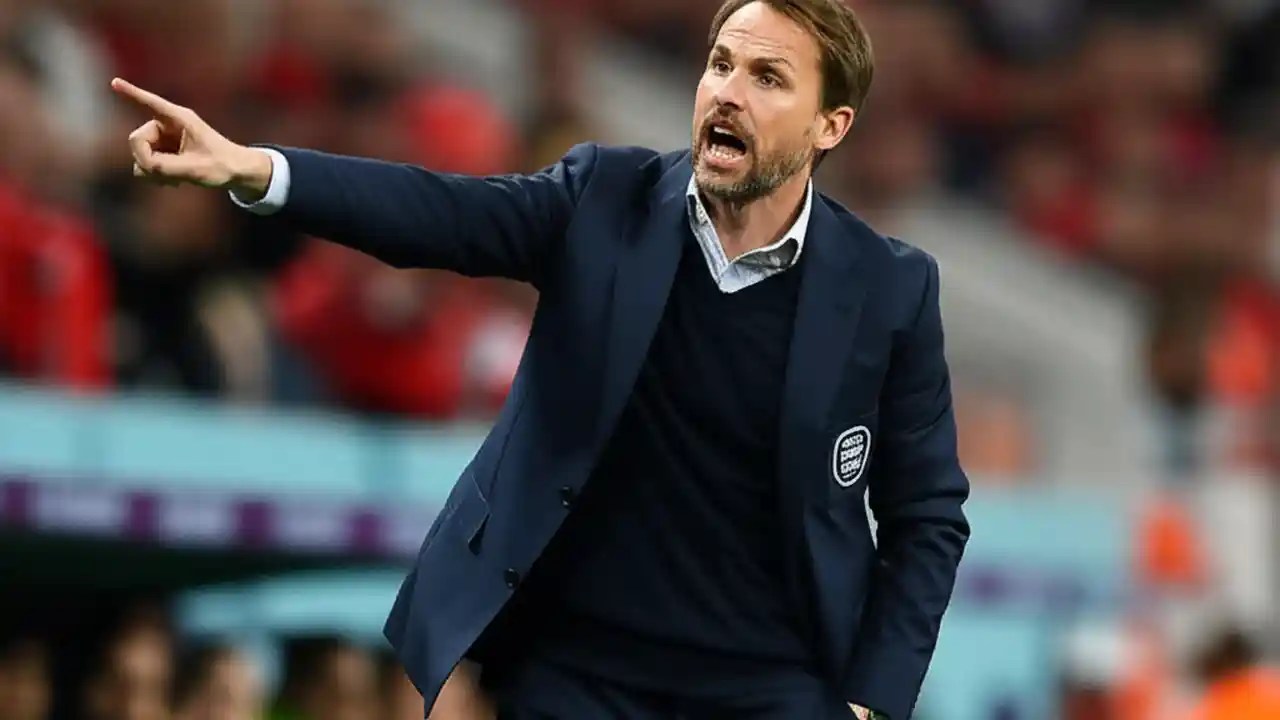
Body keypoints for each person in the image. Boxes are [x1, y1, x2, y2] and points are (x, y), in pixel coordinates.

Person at [112, 0, 971, 716]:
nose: (727, 93)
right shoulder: (605, 199)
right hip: (577, 675)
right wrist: (253, 169)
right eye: (720, 64)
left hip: (771, 687)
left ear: (832, 124)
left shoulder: (889, 291)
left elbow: (926, 513)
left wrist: (873, 699)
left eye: (768, 77)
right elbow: (435, 214)